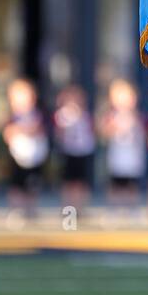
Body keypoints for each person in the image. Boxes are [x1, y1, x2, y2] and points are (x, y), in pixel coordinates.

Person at [3, 78, 49, 226]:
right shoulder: (12, 117)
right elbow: (8, 133)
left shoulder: (39, 114)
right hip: (17, 156)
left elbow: (41, 129)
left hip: (35, 157)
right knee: (16, 186)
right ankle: (16, 211)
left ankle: (31, 210)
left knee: (33, 185)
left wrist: (28, 130)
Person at [100, 79, 147, 214]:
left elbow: (143, 132)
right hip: (117, 157)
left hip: (133, 157)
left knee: (132, 185)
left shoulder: (137, 116)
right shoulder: (111, 116)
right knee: (116, 185)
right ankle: (113, 210)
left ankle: (132, 209)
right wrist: (113, 128)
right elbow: (103, 132)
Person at [52, 85, 96, 218]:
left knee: (82, 183)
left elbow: (92, 131)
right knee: (68, 183)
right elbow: (58, 133)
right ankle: (67, 210)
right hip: (69, 152)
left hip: (84, 152)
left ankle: (80, 208)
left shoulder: (86, 115)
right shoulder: (62, 115)